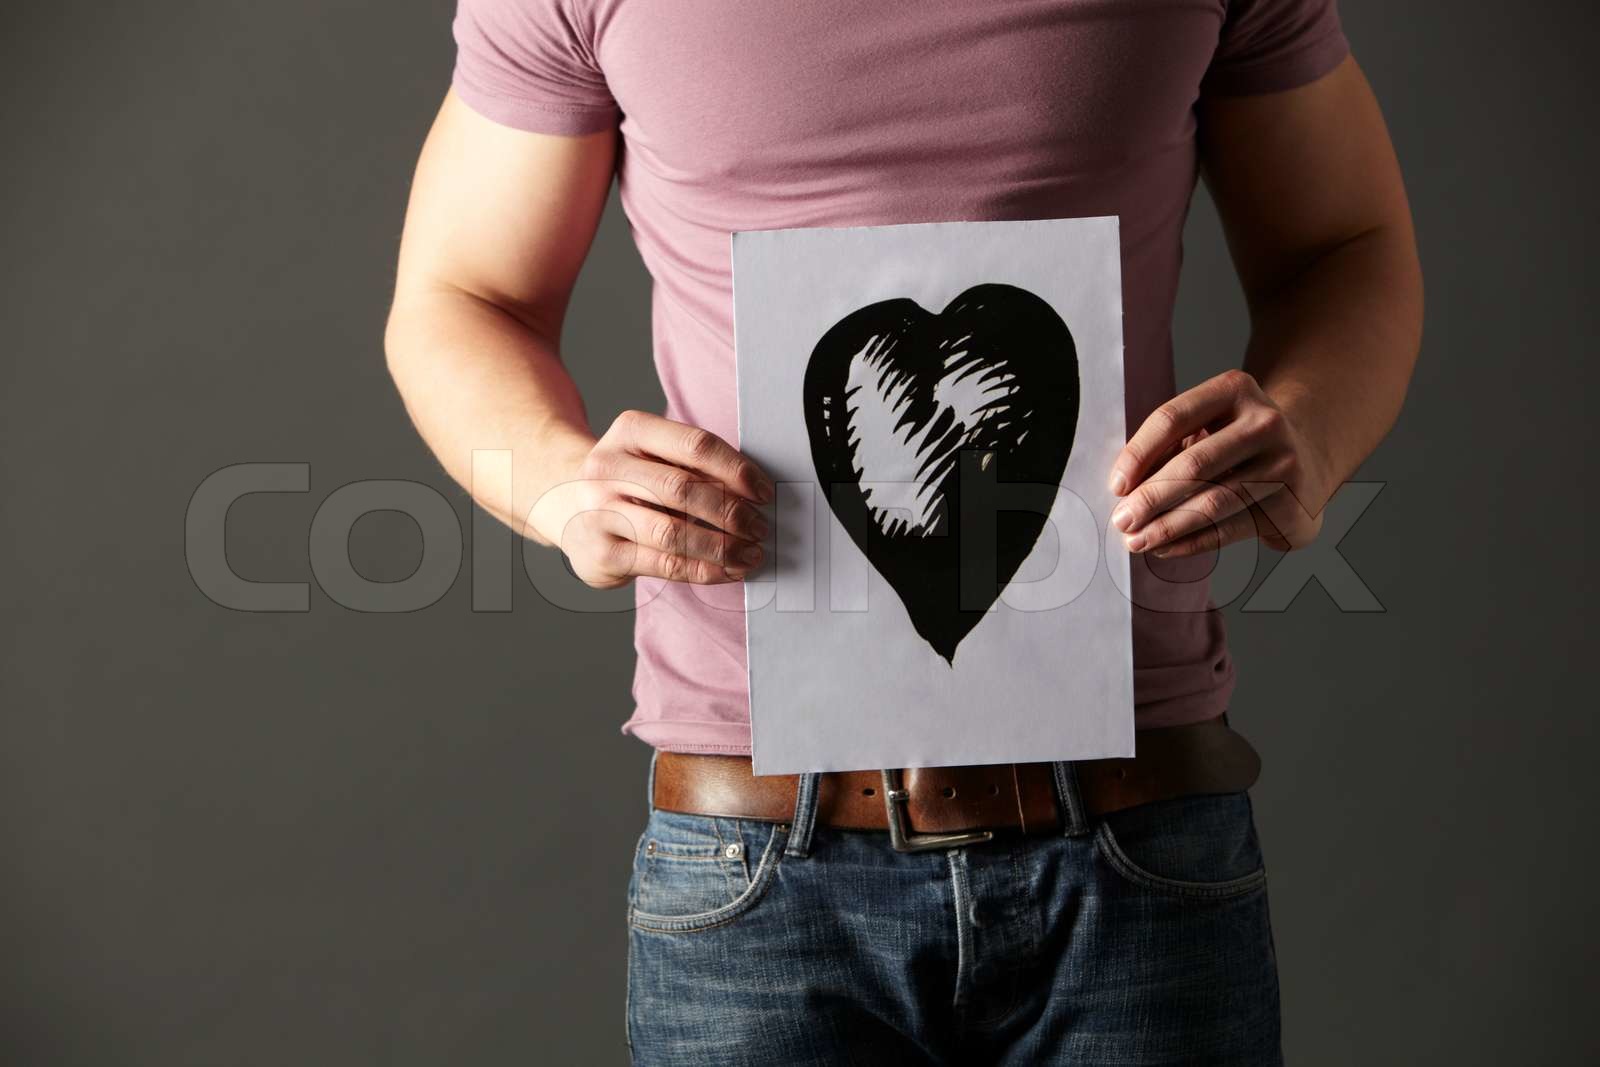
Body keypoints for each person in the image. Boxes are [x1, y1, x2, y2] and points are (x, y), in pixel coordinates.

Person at [384, 0, 1422, 1062]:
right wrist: (560, 487)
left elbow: (1341, 243)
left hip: (1134, 828)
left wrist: (1309, 429)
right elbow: (465, 291)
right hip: (757, 853)